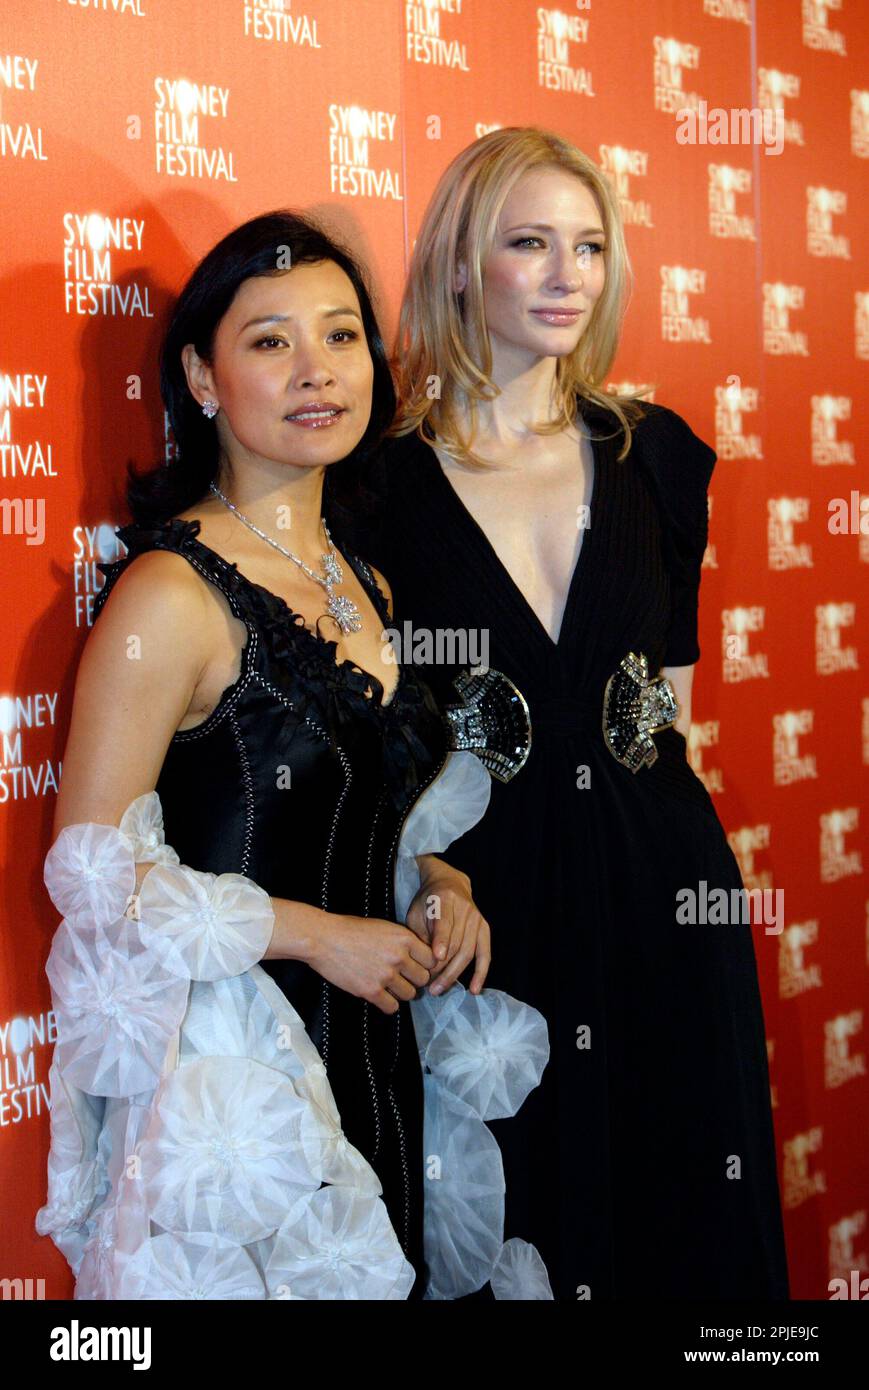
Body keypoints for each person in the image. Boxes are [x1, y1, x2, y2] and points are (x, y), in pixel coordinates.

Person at [35, 211, 552, 1301]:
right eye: (270, 340)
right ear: (201, 375)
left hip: (380, 1055)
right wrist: (319, 939)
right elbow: (88, 871)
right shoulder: (167, 596)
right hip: (244, 1085)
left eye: (341, 335)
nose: (316, 371)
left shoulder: (366, 580)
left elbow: (371, 806)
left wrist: (437, 882)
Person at [334, 127, 791, 1300]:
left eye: (586, 247)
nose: (564, 275)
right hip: (489, 911)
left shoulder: (657, 459)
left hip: (661, 888)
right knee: (524, 1222)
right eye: (527, 243)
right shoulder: (373, 487)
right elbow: (370, 740)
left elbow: (669, 715)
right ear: (455, 265)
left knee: (687, 1218)